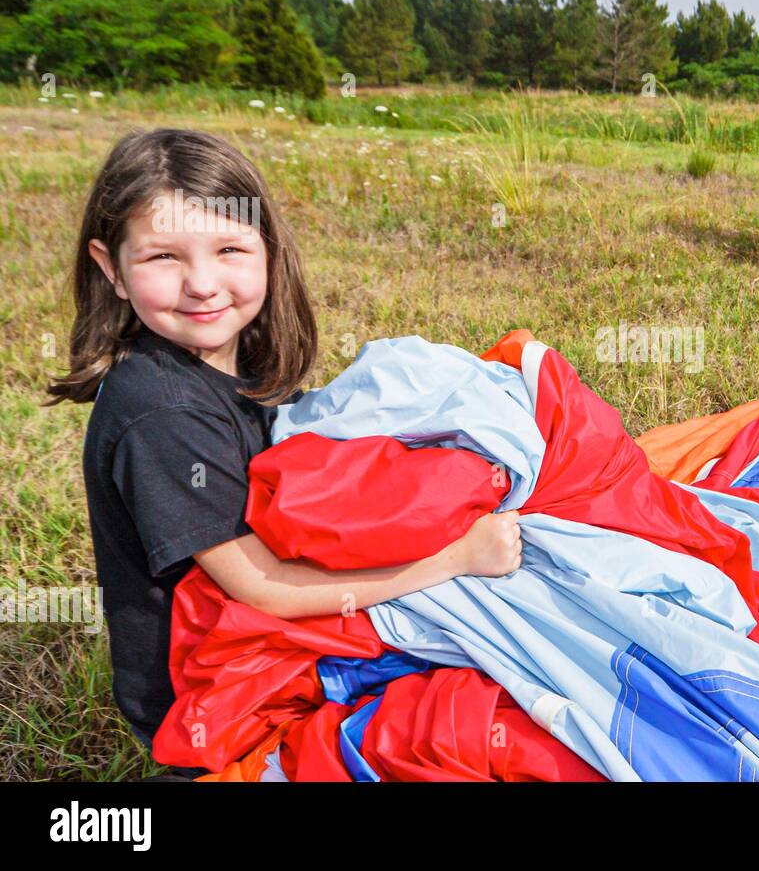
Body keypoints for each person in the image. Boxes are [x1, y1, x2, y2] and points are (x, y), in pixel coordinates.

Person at [44, 129, 524, 776]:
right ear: (112, 270)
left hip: (268, 651)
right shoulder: (159, 413)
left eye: (229, 249)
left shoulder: (237, 363)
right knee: (475, 724)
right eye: (164, 257)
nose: (202, 284)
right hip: (221, 709)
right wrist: (457, 558)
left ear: (267, 251)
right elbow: (264, 591)